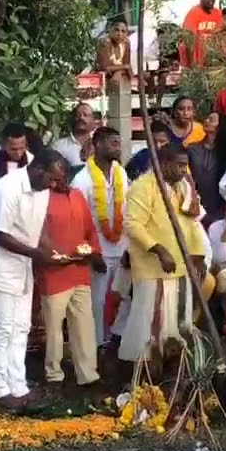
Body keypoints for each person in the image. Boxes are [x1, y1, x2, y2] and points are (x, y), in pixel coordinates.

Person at [0, 150, 56, 408]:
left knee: (21, 329)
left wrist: (49, 248)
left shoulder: (42, 189)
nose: (54, 185)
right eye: (52, 178)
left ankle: (18, 385)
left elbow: (39, 225)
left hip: (24, 267)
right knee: (2, 330)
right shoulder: (8, 188)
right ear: (38, 169)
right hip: (1, 268)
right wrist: (35, 253)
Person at [121, 143, 204, 362]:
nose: (184, 171)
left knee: (176, 322)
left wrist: (199, 255)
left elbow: (191, 224)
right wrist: (159, 250)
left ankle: (171, 365)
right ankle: (142, 367)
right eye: (180, 165)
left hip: (180, 267)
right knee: (150, 322)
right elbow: (132, 224)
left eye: (186, 166)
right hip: (153, 269)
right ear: (164, 164)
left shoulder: (183, 187)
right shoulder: (143, 186)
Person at [37, 154, 102, 386]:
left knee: (84, 325)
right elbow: (37, 233)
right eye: (54, 179)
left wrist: (93, 251)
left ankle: (88, 374)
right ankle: (54, 374)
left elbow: (90, 229)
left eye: (62, 178)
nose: (58, 183)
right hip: (54, 273)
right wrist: (52, 256)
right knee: (54, 328)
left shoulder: (77, 195)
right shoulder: (41, 198)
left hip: (79, 270)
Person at [72, 127, 131, 344]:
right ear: (97, 145)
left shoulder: (121, 173)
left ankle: (118, 342)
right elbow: (76, 222)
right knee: (96, 303)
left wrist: (130, 248)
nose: (118, 146)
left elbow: (127, 211)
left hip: (122, 248)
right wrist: (91, 253)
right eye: (112, 142)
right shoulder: (81, 180)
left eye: (118, 142)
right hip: (98, 252)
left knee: (125, 298)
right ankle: (96, 346)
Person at [187, 114, 225, 226]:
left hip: (218, 202)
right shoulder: (191, 148)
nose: (206, 120)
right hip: (197, 198)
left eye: (211, 120)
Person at [179, 0, 224, 67]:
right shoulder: (193, 13)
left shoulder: (218, 13)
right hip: (196, 62)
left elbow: (222, 37)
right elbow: (189, 40)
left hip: (213, 61)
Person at [51, 102, 96, 169]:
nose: (81, 118)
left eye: (85, 115)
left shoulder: (100, 145)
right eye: (78, 115)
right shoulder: (59, 146)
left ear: (93, 119)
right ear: (73, 119)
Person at [95, 20, 132, 88]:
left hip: (119, 76)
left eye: (123, 31)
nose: (119, 34)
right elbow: (104, 68)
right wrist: (123, 67)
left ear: (126, 33)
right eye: (116, 30)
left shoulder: (126, 43)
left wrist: (119, 71)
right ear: (110, 31)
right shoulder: (105, 42)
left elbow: (127, 65)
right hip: (104, 77)